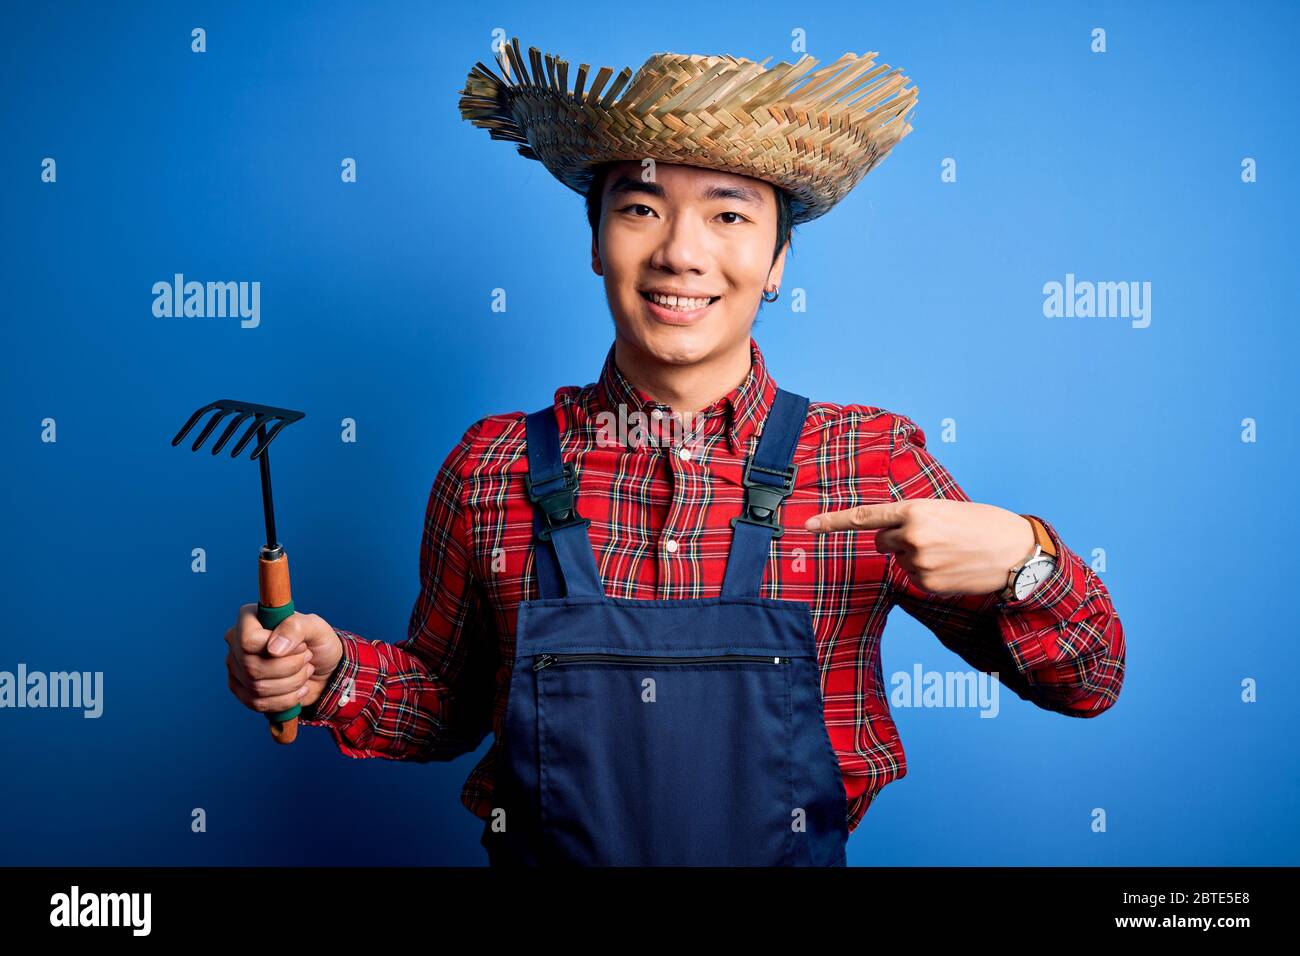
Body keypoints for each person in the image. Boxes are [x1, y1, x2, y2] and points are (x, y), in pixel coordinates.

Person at [224, 38, 1125, 866]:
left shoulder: (867, 460)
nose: (681, 253)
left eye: (730, 215)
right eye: (643, 207)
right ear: (595, 242)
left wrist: (1023, 559)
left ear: (777, 263)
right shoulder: (493, 467)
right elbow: (446, 705)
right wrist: (329, 670)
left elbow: (1091, 680)